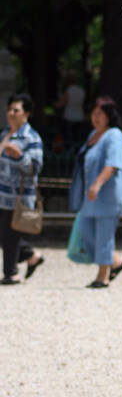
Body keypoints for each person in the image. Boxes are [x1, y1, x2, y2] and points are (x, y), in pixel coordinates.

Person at [69, 96, 122, 289]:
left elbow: (113, 164)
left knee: (104, 236)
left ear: (110, 116)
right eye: (94, 113)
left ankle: (103, 275)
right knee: (86, 231)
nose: (96, 117)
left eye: (100, 113)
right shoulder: (93, 134)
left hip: (107, 196)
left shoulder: (114, 135)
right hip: (89, 197)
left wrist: (97, 184)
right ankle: (115, 260)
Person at [0, 93, 45, 285]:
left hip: (18, 196)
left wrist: (18, 156)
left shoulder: (31, 137)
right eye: (9, 109)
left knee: (9, 233)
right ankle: (31, 255)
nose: (11, 113)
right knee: (6, 233)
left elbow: (35, 168)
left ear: (26, 113)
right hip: (2, 193)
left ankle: (11, 273)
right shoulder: (4, 134)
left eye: (15, 110)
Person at [55, 74, 87, 148]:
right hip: (80, 116)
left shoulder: (68, 90)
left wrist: (55, 104)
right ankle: (76, 151)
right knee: (77, 136)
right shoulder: (81, 90)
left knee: (68, 137)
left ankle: (69, 152)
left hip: (69, 116)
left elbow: (61, 103)